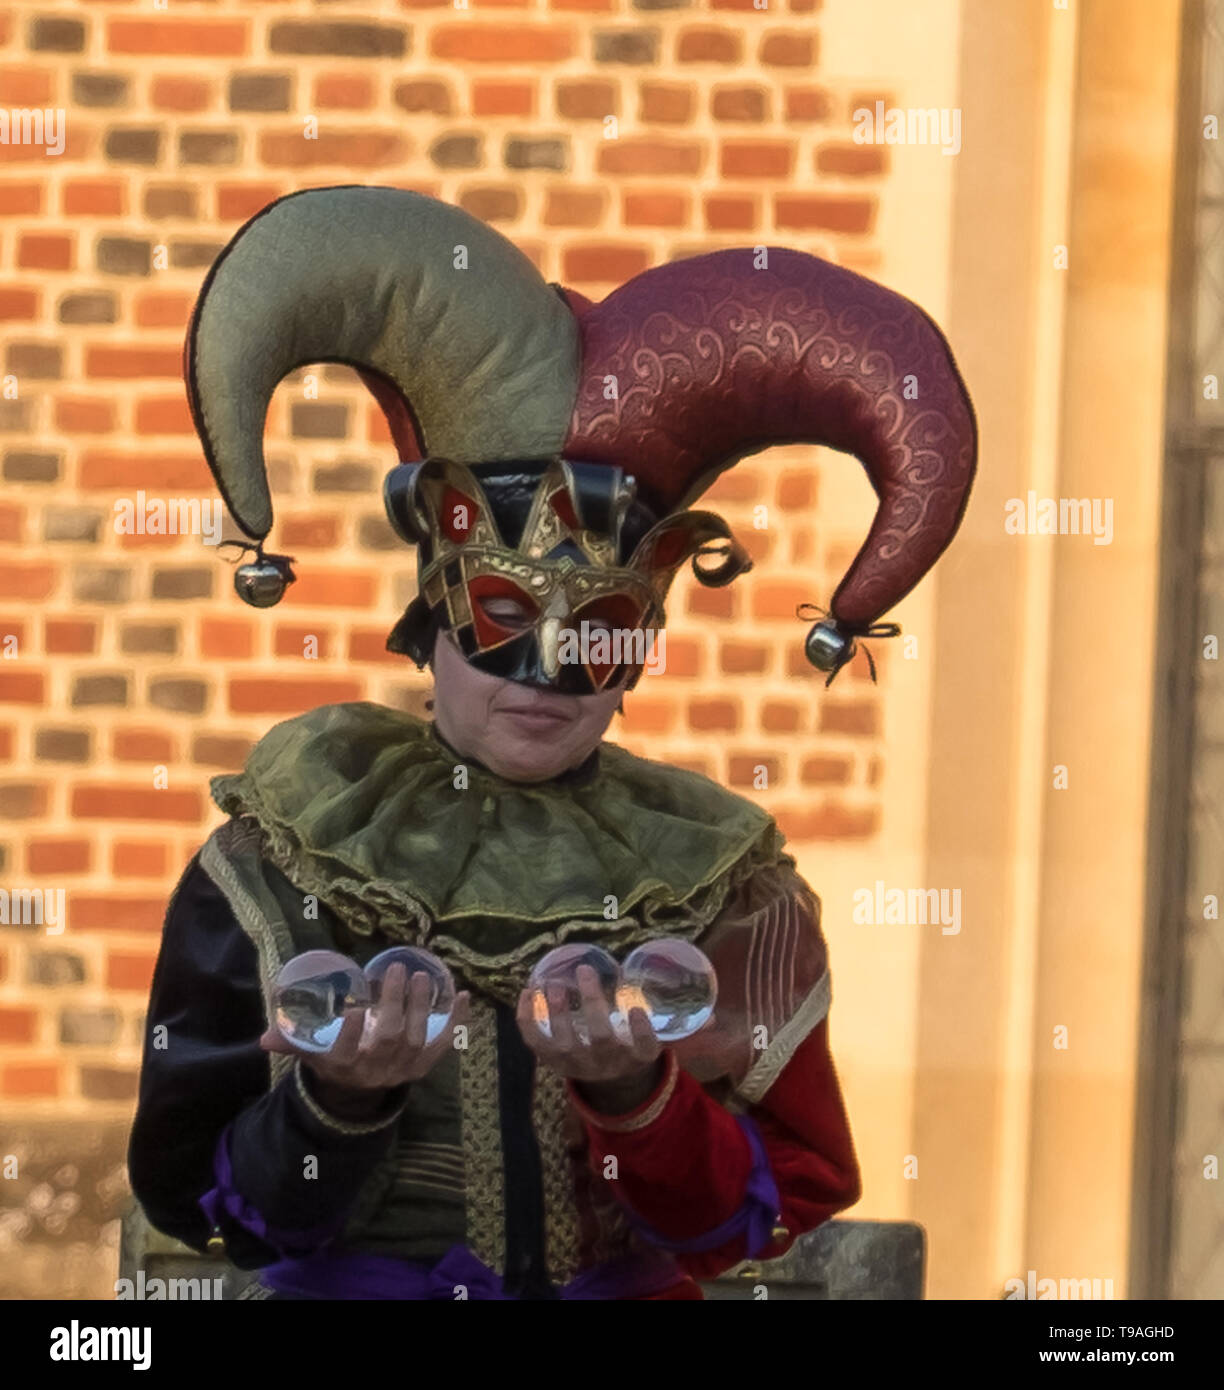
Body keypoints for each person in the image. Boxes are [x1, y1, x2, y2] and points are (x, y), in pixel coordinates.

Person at [128, 186, 977, 1300]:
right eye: (503, 619)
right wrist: (339, 1102)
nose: (547, 679)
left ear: (641, 654)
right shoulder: (281, 861)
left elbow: (751, 1217)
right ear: (431, 624)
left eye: (602, 631)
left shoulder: (717, 888)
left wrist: (640, 1100)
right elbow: (207, 1206)